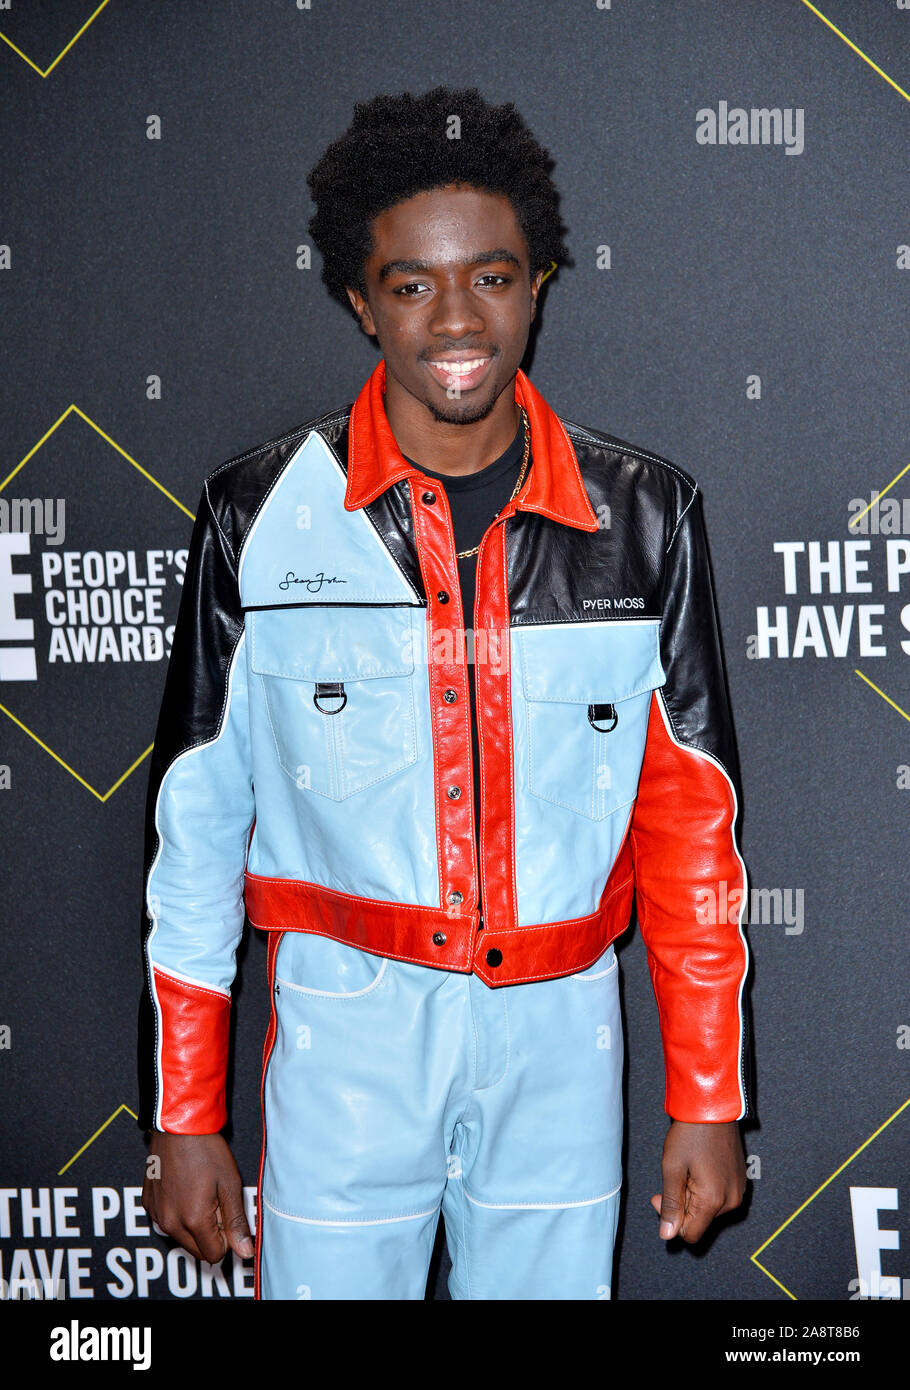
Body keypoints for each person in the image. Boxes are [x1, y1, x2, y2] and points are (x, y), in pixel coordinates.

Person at [139, 86, 752, 1301]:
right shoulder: (257, 516)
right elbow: (194, 832)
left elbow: (691, 832)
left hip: (562, 1038)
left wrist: (708, 1096)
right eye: (413, 284)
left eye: (493, 275)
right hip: (342, 1036)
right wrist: (184, 1110)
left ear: (540, 285)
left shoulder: (645, 517)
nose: (456, 317)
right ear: (361, 302)